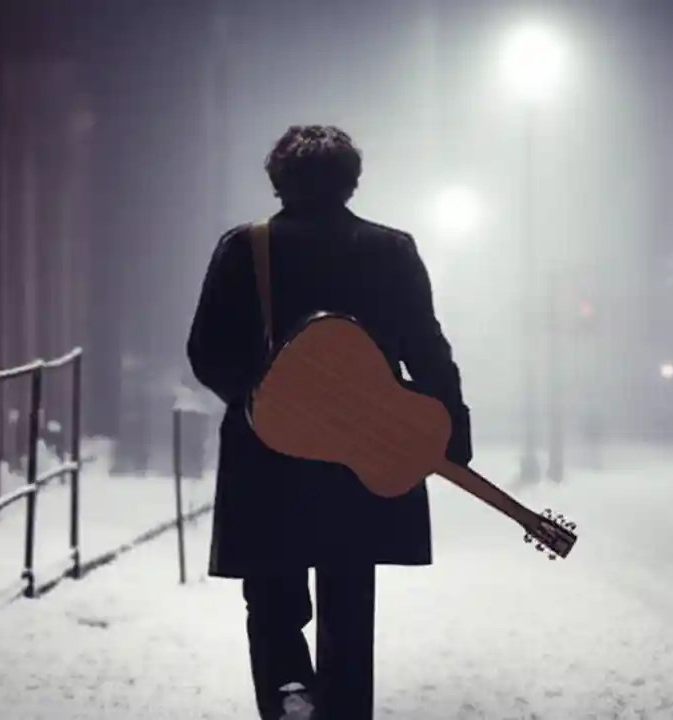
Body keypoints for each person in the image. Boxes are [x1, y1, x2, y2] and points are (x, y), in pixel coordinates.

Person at [187, 125, 472, 720]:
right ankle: (345, 707)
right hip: (366, 457)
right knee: (349, 596)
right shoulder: (391, 250)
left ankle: (289, 689)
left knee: (271, 595)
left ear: (278, 180)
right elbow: (427, 348)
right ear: (352, 180)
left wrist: (269, 404)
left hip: (271, 457)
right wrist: (448, 427)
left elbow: (207, 351)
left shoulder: (247, 248)